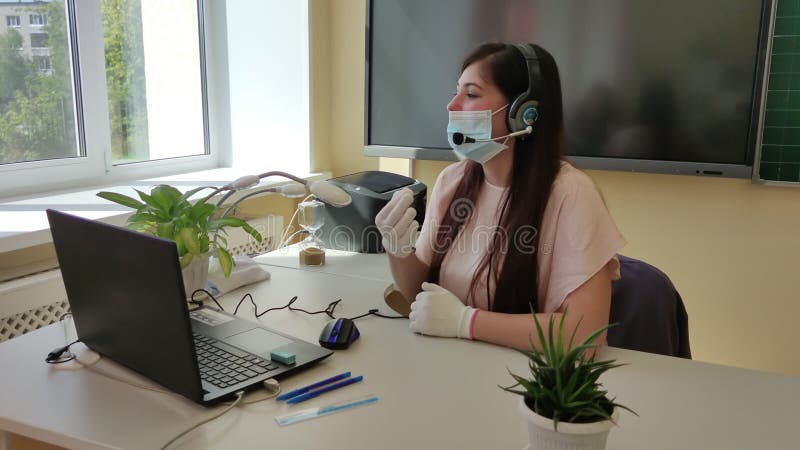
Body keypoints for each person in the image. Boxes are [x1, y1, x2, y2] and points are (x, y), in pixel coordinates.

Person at [375, 42, 626, 351]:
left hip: (526, 381)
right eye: (456, 92)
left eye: (471, 94)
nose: (451, 106)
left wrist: (466, 322)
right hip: (451, 366)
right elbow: (420, 298)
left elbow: (585, 335)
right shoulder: (452, 182)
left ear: (523, 112)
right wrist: (398, 249)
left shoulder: (571, 193)